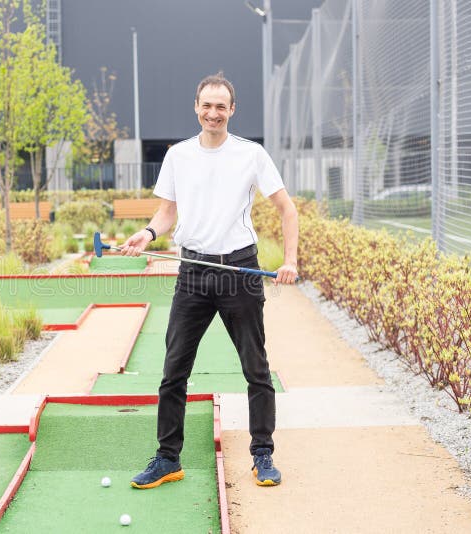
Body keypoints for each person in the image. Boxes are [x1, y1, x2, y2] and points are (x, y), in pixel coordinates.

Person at [121, 72, 298, 489]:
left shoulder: (251, 154)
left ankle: (262, 455)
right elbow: (167, 212)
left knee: (256, 368)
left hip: (239, 270)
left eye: (221, 106)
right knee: (173, 371)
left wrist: (289, 260)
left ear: (232, 110)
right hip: (193, 274)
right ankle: (168, 459)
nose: (213, 113)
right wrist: (147, 234)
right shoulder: (178, 155)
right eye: (207, 105)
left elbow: (287, 209)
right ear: (196, 108)